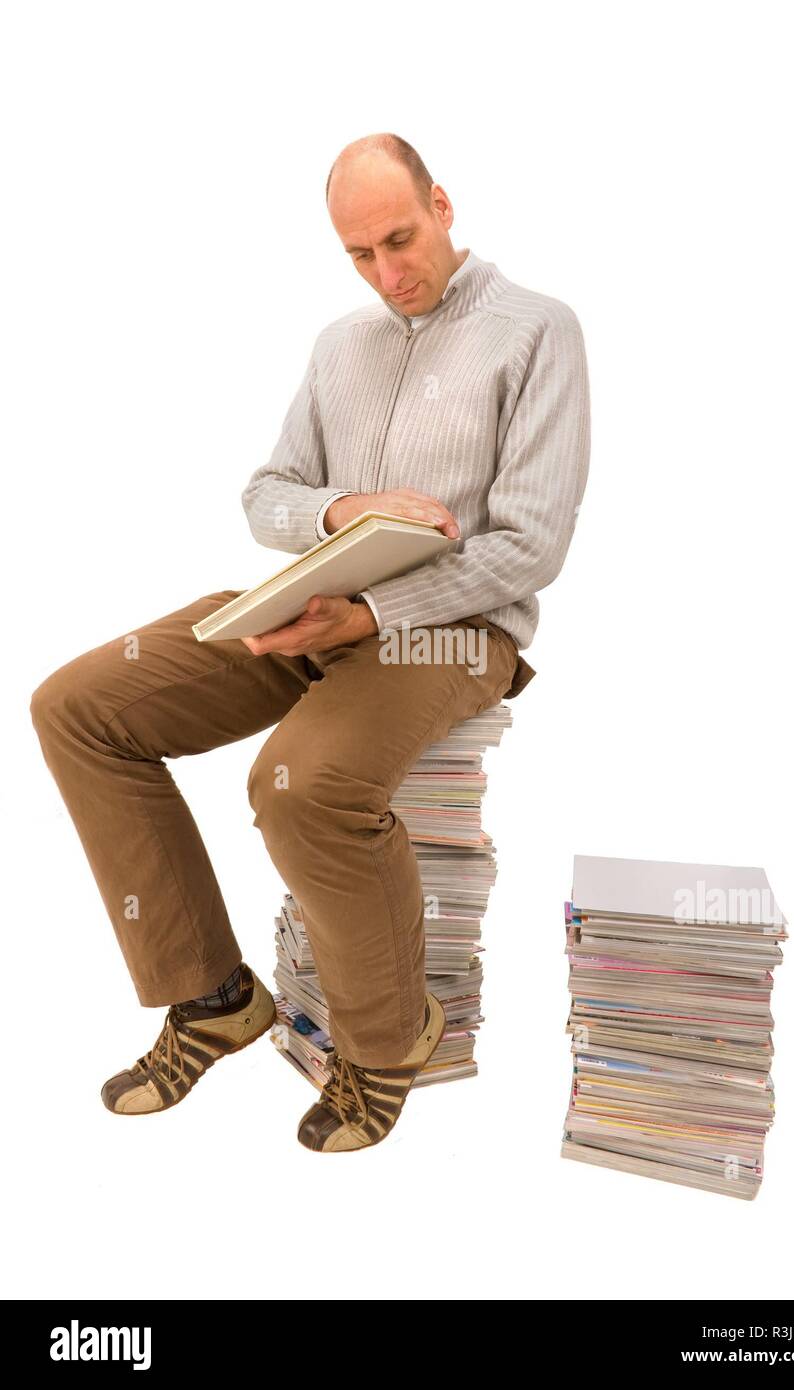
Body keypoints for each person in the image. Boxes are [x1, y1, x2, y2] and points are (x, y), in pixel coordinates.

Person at [29, 131, 591, 1153]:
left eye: (400, 239)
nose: (389, 274)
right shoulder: (341, 344)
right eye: (360, 256)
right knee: (74, 707)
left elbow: (532, 544)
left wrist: (373, 615)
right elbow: (265, 493)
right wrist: (341, 515)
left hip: (452, 633)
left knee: (294, 781)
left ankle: (385, 1040)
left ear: (442, 203)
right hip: (310, 608)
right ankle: (213, 997)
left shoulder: (536, 331)